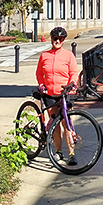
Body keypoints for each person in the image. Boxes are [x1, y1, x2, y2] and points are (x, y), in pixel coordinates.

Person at [35, 26, 79, 165]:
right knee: (54, 124)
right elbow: (38, 73)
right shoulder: (44, 55)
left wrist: (72, 84)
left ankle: (72, 155)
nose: (57, 41)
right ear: (51, 39)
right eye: (55, 38)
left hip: (65, 94)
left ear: (64, 40)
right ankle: (59, 151)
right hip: (50, 94)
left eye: (60, 39)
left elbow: (74, 73)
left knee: (67, 124)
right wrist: (41, 84)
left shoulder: (68, 55)